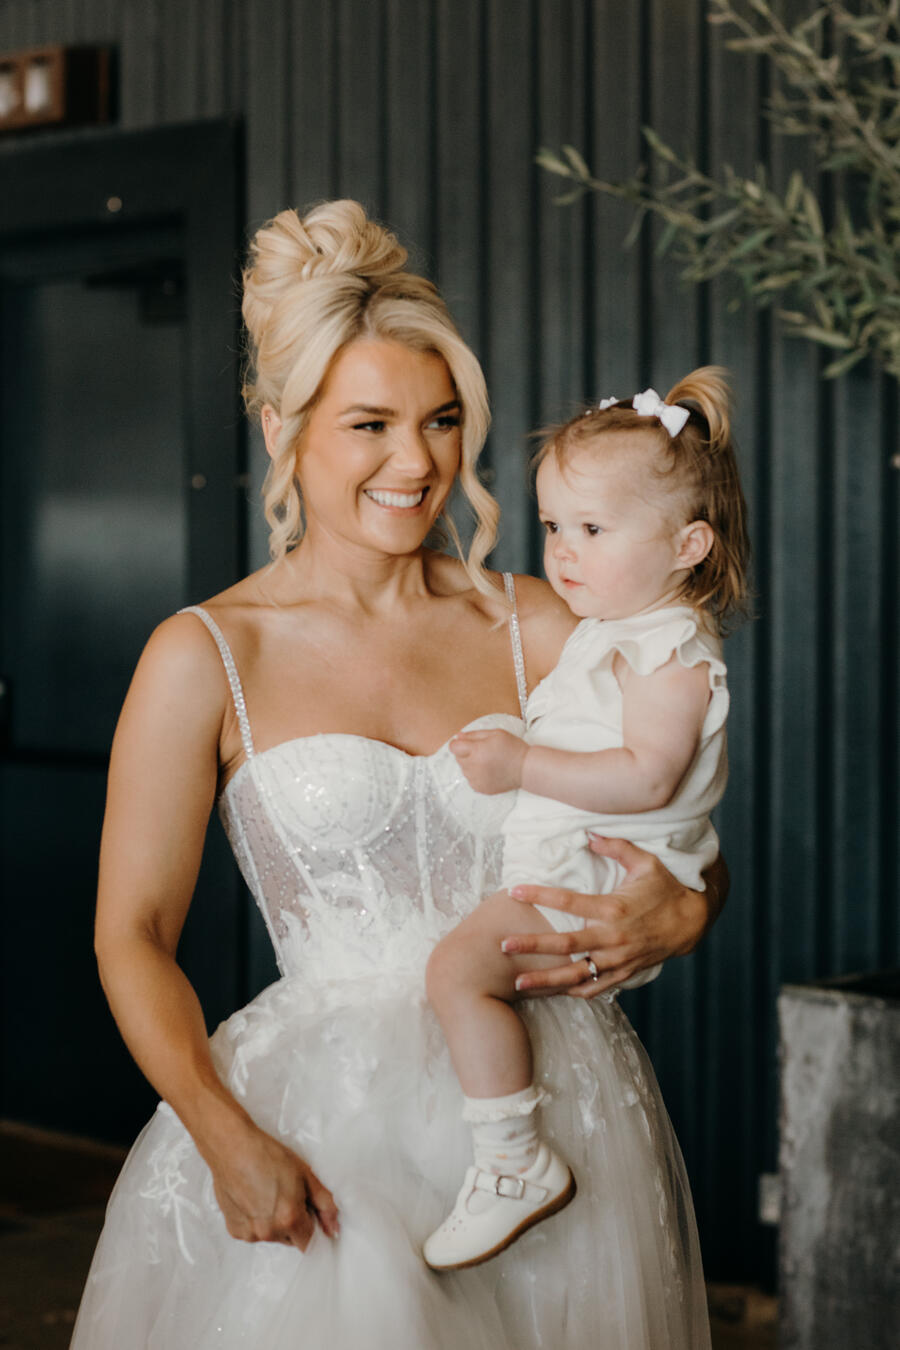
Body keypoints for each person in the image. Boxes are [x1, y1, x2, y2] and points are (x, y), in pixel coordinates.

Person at [71, 200, 725, 1350]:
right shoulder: (207, 656)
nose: (416, 462)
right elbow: (130, 932)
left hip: (549, 1110)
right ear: (280, 430)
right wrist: (226, 1137)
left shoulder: (541, 622)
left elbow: (668, 813)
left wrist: (687, 911)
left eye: (439, 421)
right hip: (317, 1133)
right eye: (368, 423)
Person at [423, 370, 748, 1270]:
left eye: (593, 530)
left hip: (599, 872)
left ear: (687, 544)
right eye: (556, 525)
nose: (563, 552)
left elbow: (649, 776)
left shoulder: (666, 643)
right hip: (579, 857)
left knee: (457, 970)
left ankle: (513, 1158)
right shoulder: (615, 625)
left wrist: (520, 762)